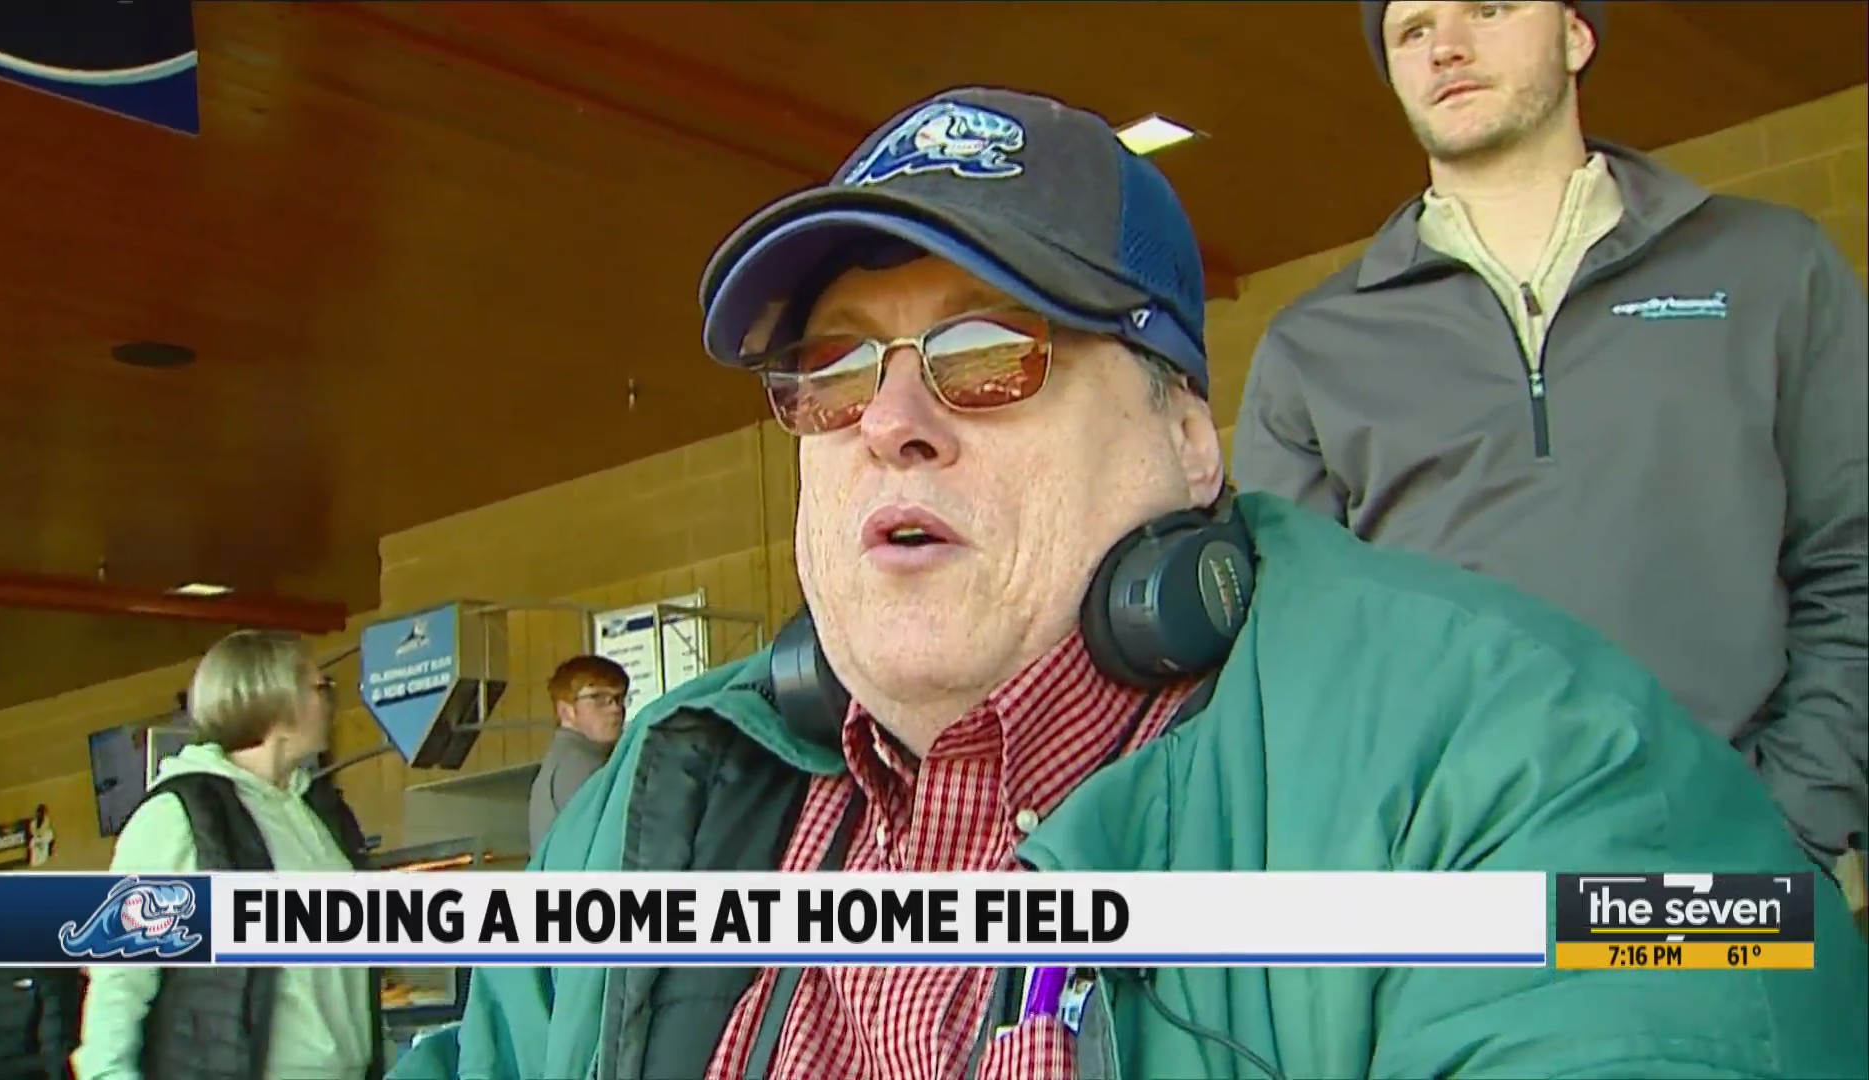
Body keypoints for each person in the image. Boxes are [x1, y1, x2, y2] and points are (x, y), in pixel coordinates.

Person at [389, 86, 1868, 1080]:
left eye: (989, 352)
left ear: (1185, 440)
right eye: (833, 374)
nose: (892, 419)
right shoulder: (665, 798)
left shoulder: (1514, 767)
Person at [1231, 0, 1869, 864]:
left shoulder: (1770, 266)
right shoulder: (1313, 346)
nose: (1446, 47)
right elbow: (1292, 653)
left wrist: (1793, 824)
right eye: (1411, 31)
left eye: (1487, 9)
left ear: (1577, 34)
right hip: (1460, 892)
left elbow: (1849, 560)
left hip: (1730, 859)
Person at [72, 630, 384, 1080]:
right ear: (274, 698)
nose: (331, 703)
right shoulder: (179, 816)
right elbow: (121, 976)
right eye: (321, 689)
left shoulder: (320, 813)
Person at [526, 654, 628, 854]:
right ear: (566, 711)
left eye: (619, 698)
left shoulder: (570, 761)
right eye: (598, 699)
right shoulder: (578, 765)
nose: (616, 708)